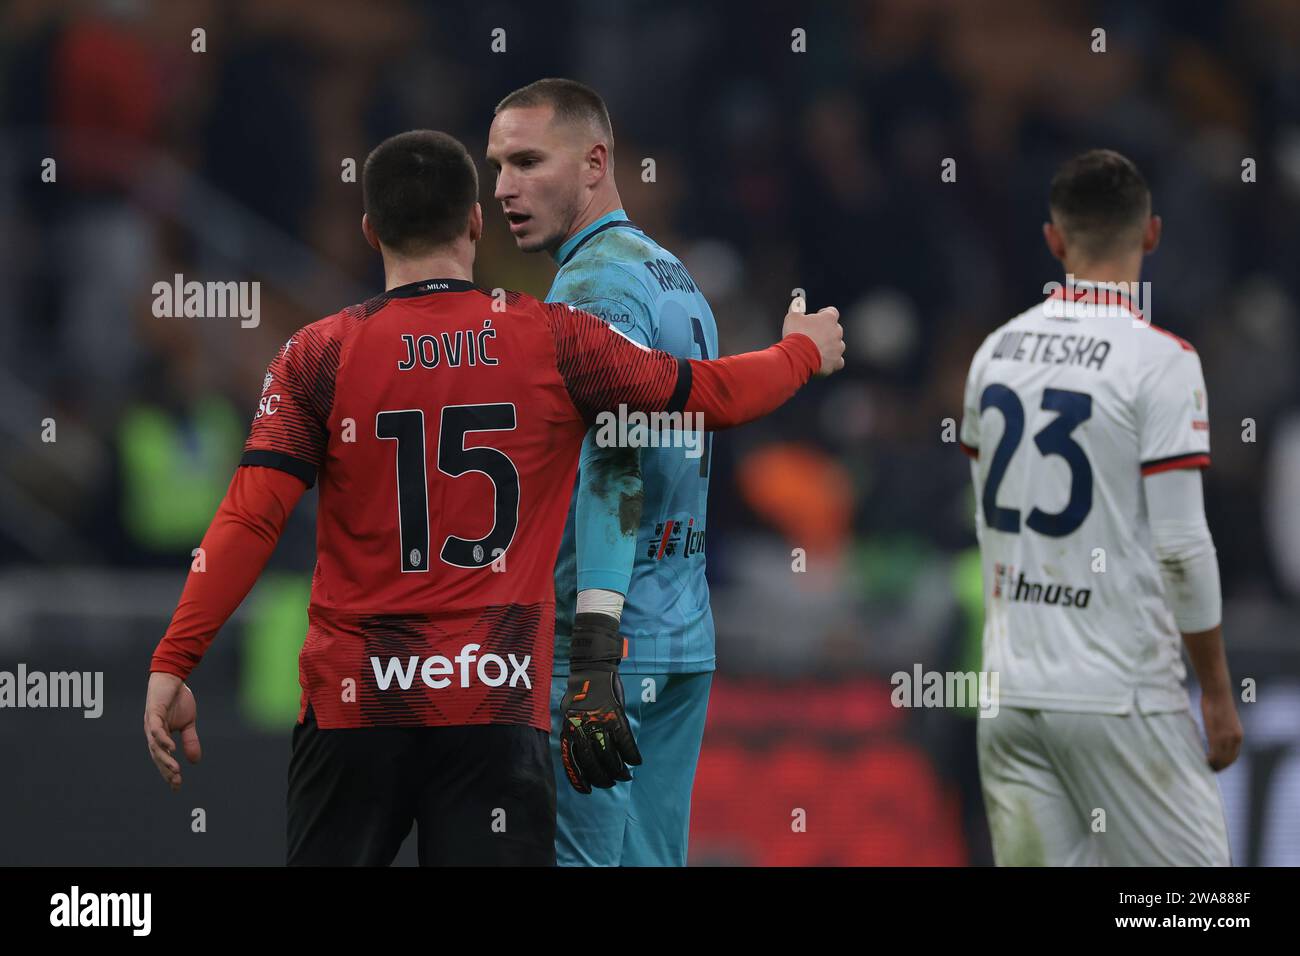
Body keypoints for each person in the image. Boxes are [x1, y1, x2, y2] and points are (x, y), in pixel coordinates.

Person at [143, 128, 845, 866]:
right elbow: (712, 395)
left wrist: (174, 661)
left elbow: (250, 517)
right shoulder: (554, 338)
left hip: (356, 705)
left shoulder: (315, 355)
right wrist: (799, 350)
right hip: (494, 704)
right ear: (476, 221)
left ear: (370, 231)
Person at [959, 149, 1241, 865]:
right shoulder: (1161, 361)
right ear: (1151, 233)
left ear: (1054, 241)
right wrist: (1214, 689)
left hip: (1013, 696)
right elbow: (1182, 545)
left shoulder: (993, 355)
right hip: (1121, 694)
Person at [487, 77, 735, 865]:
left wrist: (592, 657)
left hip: (607, 652)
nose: (503, 188)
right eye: (497, 166)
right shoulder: (672, 275)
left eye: (528, 162)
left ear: (595, 162)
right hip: (680, 633)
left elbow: (615, 468)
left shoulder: (592, 287)